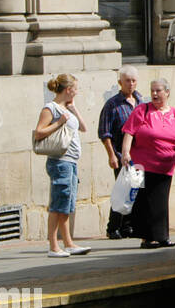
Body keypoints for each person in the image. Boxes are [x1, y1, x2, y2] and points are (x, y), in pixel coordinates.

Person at [121, 78, 175, 249]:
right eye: (152, 91)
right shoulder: (142, 110)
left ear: (167, 93)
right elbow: (129, 132)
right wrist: (126, 152)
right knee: (145, 201)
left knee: (160, 200)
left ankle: (162, 236)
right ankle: (147, 238)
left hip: (165, 166)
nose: (154, 94)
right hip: (143, 163)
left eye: (158, 90)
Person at [34, 74, 90, 257]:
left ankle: (68, 243)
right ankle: (53, 246)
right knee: (58, 203)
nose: (77, 91)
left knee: (67, 203)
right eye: (75, 88)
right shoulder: (50, 109)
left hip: (71, 161)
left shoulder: (66, 108)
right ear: (68, 90)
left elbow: (83, 127)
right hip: (60, 161)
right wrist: (59, 122)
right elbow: (39, 133)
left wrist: (73, 109)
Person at [98, 66, 145, 239]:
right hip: (120, 154)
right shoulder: (112, 104)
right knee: (122, 191)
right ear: (120, 82)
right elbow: (105, 132)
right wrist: (111, 155)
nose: (131, 84)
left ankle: (128, 226)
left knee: (135, 191)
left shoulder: (141, 101)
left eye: (133, 81)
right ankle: (113, 227)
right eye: (127, 81)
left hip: (139, 155)